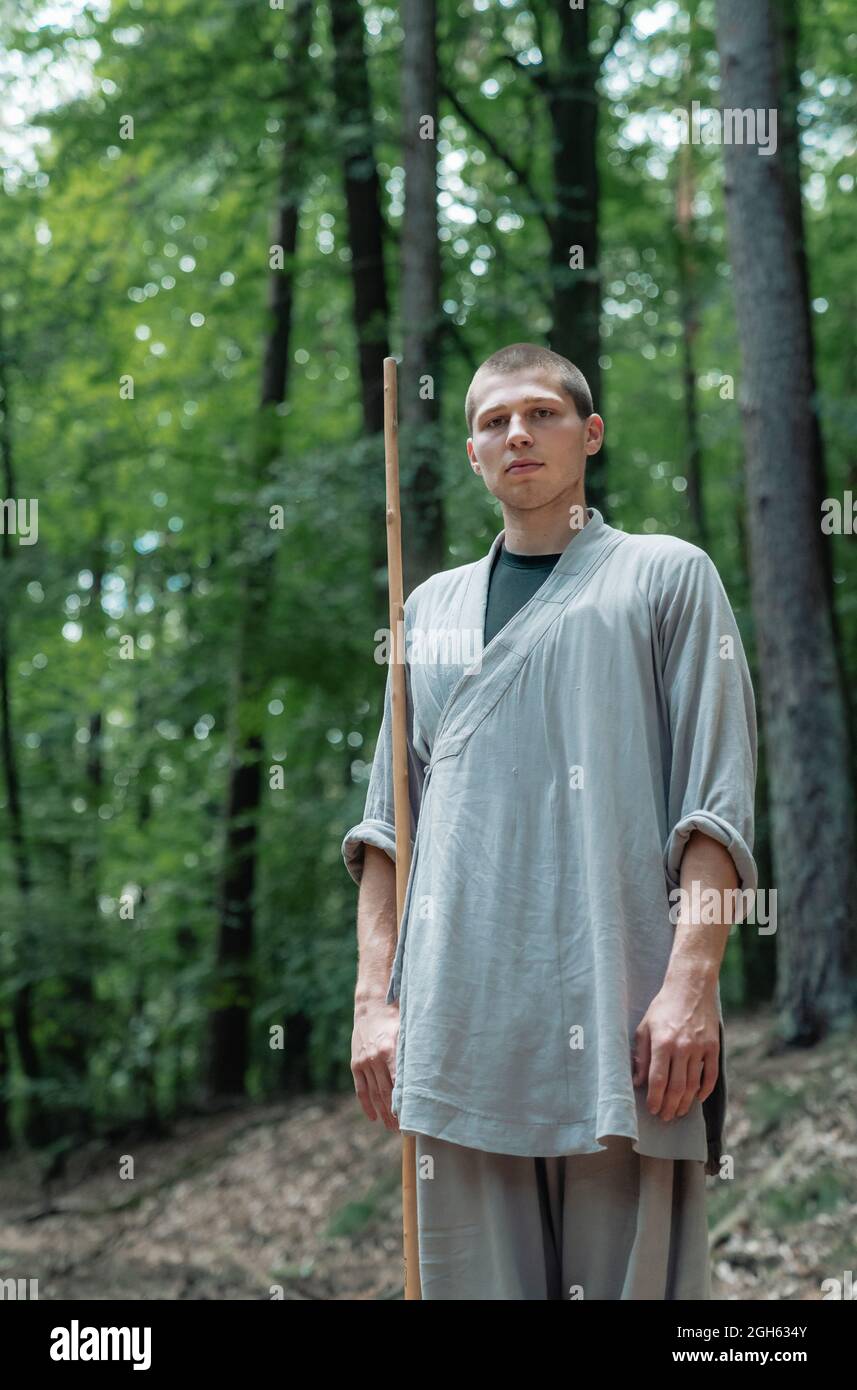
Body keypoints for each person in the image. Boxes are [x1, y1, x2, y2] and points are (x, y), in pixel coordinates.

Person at [341, 342, 758, 1300]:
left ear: (591, 434)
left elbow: (715, 803)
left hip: (622, 1022)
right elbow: (384, 833)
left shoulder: (665, 576)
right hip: (456, 1032)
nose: (517, 433)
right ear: (474, 452)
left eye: (542, 413)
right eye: (493, 422)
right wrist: (375, 1001)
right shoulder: (430, 608)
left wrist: (691, 984)